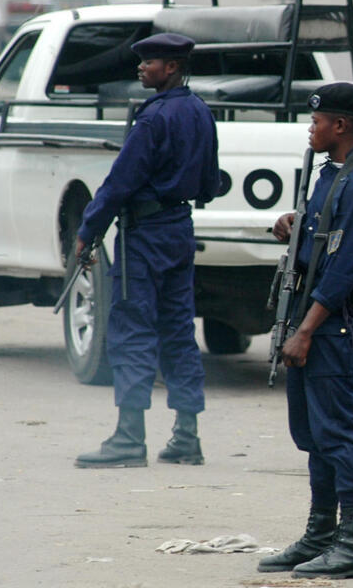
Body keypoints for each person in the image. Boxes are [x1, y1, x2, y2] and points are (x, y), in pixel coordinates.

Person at [73, 33, 220, 470]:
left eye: (149, 61)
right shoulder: (200, 111)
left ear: (171, 67)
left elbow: (120, 182)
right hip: (179, 229)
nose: (140, 67)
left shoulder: (154, 118)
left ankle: (129, 438)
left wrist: (89, 230)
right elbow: (210, 183)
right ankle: (187, 437)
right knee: (178, 331)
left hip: (145, 234)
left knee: (133, 330)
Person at [259, 83, 353, 579]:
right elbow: (324, 237)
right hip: (308, 318)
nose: (310, 129)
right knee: (313, 434)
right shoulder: (330, 174)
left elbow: (343, 271)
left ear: (341, 126)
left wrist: (306, 331)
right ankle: (320, 535)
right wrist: (296, 223)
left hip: (327, 327)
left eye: (317, 122)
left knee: (338, 433)